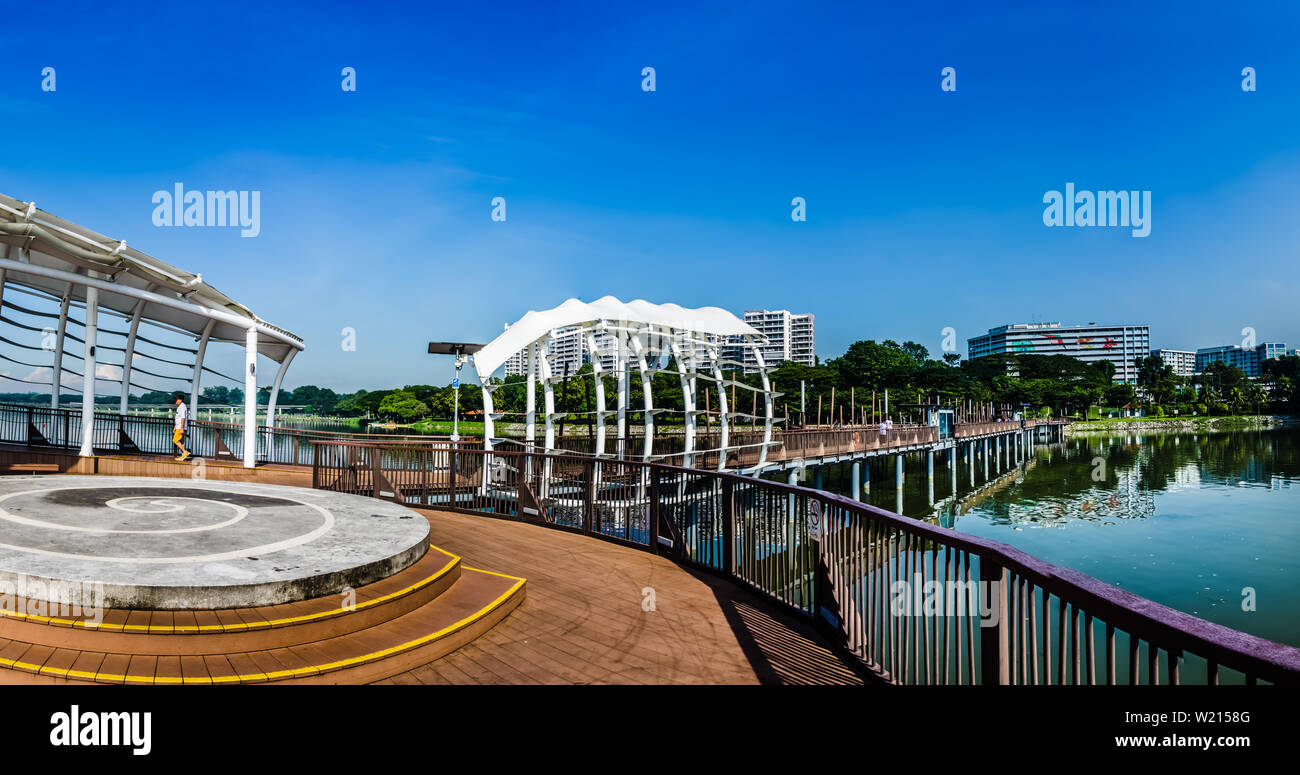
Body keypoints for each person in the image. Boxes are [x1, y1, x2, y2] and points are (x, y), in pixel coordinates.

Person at [173, 394, 190, 461]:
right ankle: (183, 456)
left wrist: (182, 428)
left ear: (180, 400)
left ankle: (185, 452)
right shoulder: (180, 406)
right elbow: (178, 418)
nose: (175, 401)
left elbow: (183, 418)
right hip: (178, 426)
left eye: (176, 399)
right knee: (182, 442)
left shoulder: (182, 406)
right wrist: (175, 427)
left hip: (180, 427)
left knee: (175, 440)